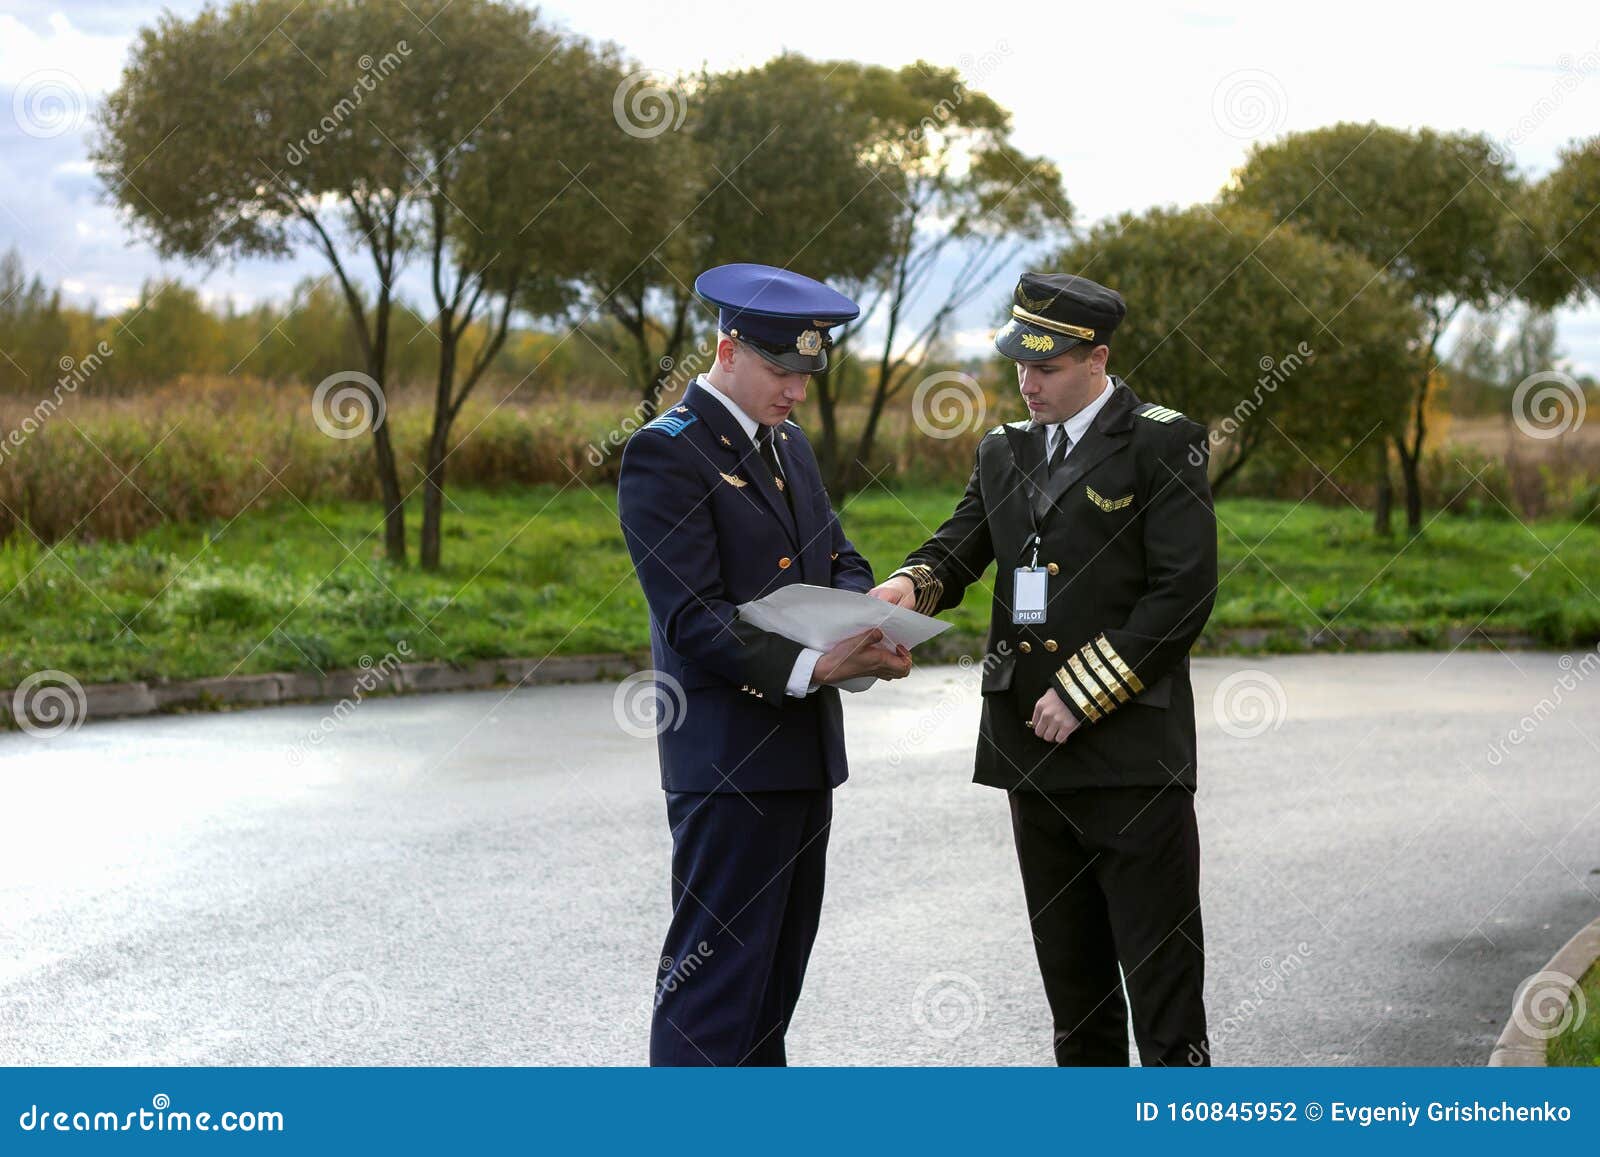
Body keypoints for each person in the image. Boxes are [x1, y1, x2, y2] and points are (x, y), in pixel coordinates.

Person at [869, 272, 1218, 1066]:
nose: (1027, 382)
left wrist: (1083, 692)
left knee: (1164, 995)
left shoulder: (1162, 441)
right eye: (1019, 366)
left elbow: (1181, 595)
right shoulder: (1005, 448)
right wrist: (900, 589)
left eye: (1048, 367)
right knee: (1075, 998)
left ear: (1096, 359)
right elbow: (958, 548)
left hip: (1133, 760)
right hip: (1034, 755)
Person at [618, 262, 912, 1066]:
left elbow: (839, 560)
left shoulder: (790, 447)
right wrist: (809, 667)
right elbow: (691, 616)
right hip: (727, 765)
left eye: (806, 373)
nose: (796, 389)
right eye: (782, 369)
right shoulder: (664, 454)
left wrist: (869, 629)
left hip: (802, 760)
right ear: (727, 350)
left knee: (770, 996)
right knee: (710, 1001)